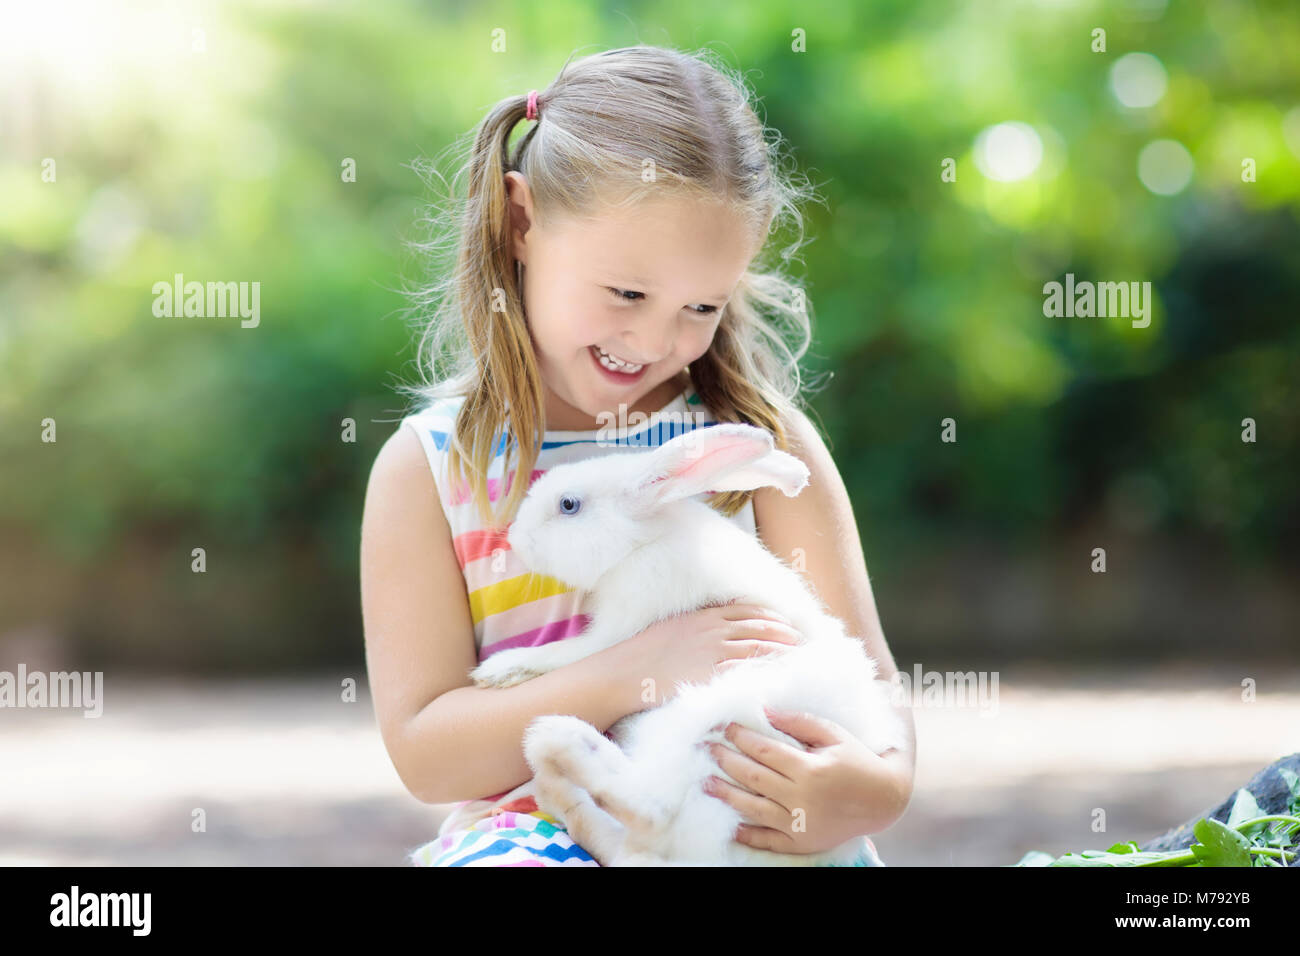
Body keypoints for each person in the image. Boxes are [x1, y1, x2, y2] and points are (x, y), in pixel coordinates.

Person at [360, 45, 916, 866]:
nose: (658, 340)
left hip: (750, 830)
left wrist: (868, 790)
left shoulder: (760, 450)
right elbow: (427, 753)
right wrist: (634, 672)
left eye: (701, 305)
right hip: (542, 834)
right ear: (522, 222)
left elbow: (875, 702)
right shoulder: (432, 471)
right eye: (627, 293)